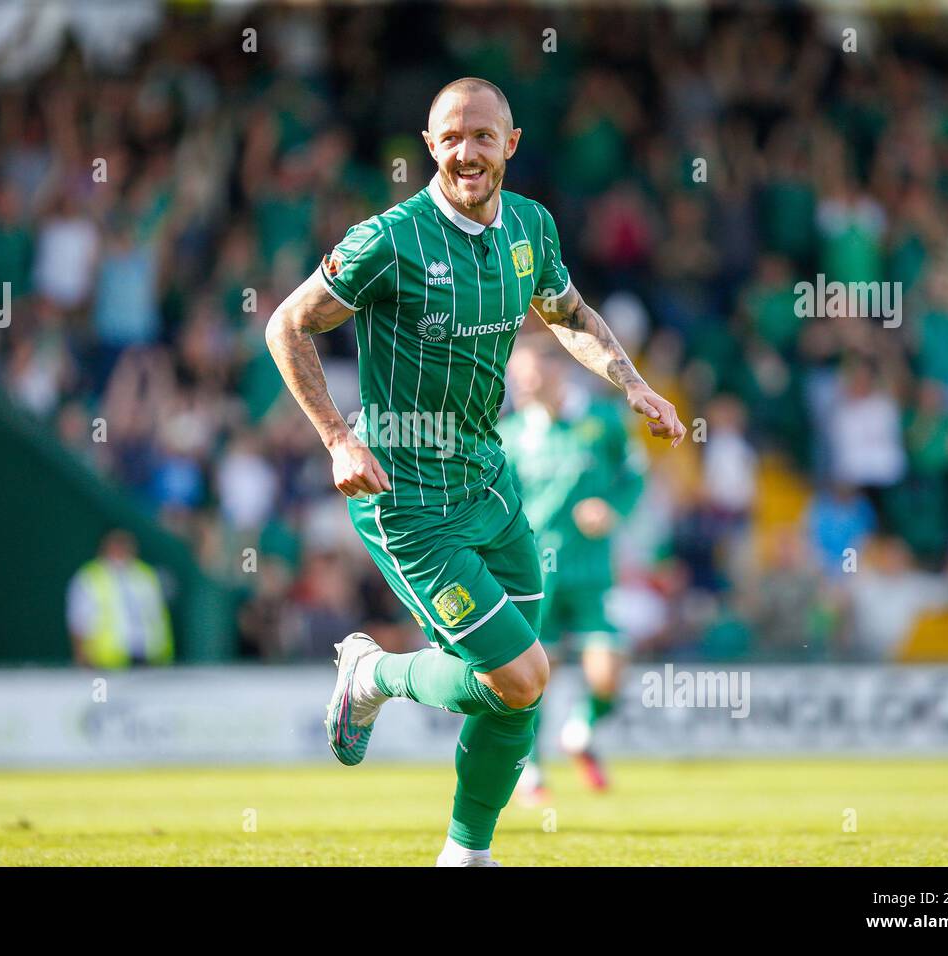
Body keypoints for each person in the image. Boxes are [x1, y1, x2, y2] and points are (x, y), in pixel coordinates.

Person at [265, 77, 684, 866]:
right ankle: (373, 673)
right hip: (407, 498)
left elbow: (571, 316)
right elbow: (286, 325)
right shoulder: (389, 240)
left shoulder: (531, 227)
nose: (467, 152)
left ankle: (467, 855)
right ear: (430, 147)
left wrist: (632, 384)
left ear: (511, 143)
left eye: (482, 136)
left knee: (511, 687)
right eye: (451, 137)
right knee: (523, 676)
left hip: (490, 484)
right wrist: (336, 439)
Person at [500, 335, 645, 802]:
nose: (522, 385)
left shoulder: (602, 422)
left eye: (531, 375)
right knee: (533, 678)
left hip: (591, 571)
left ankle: (580, 731)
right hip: (533, 575)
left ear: (557, 372)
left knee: (606, 671)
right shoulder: (511, 434)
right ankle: (531, 769)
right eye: (517, 377)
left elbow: (634, 474)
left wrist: (612, 508)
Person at [67, 529, 173, 668]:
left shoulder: (146, 574)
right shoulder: (90, 577)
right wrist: (82, 659)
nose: (121, 549)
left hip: (150, 659)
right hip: (108, 663)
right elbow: (78, 622)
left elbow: (158, 617)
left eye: (125, 544)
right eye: (116, 544)